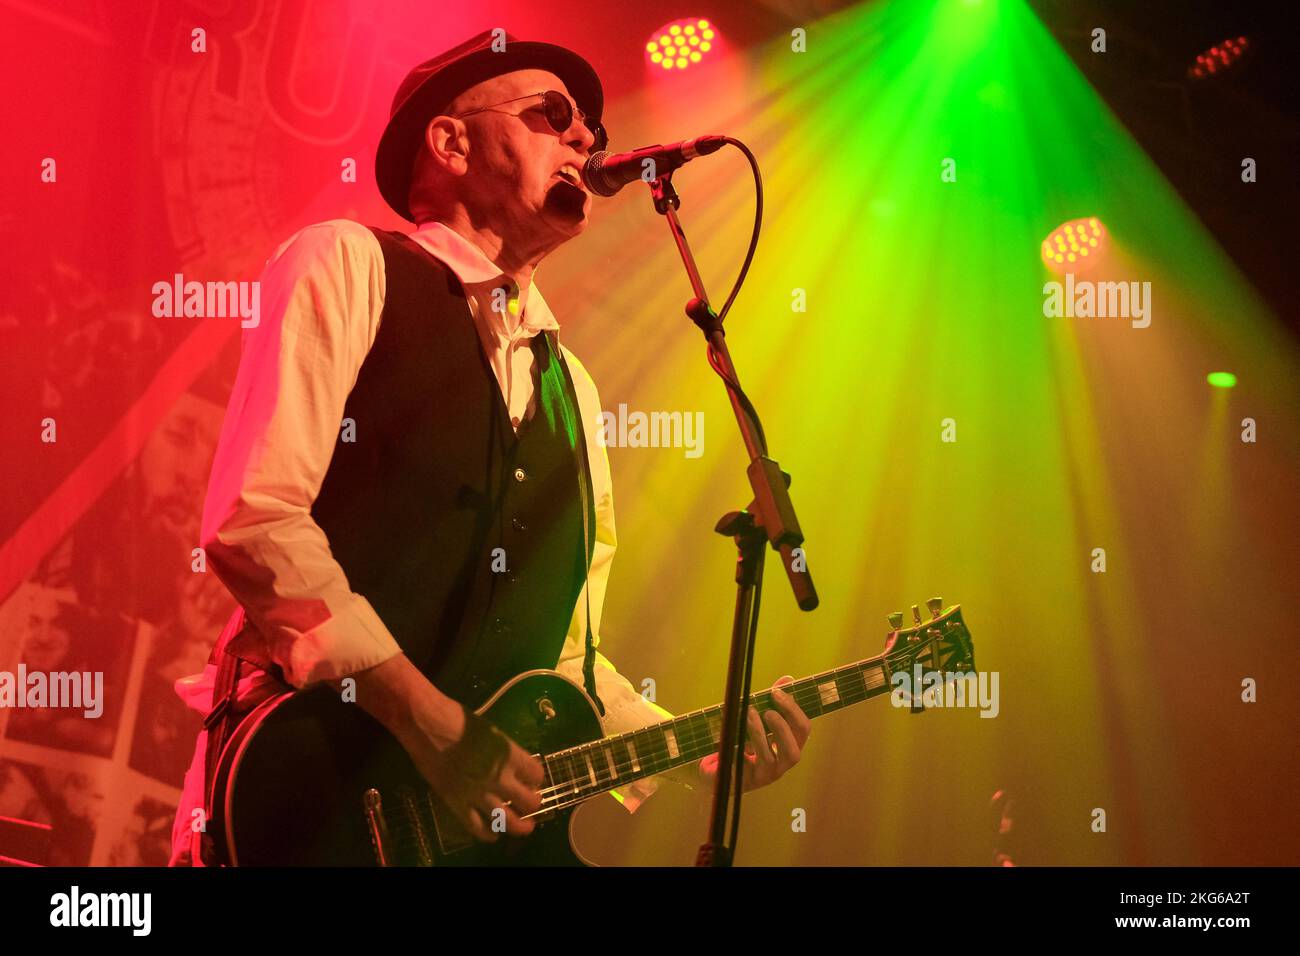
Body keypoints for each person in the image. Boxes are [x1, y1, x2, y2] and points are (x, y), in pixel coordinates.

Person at [169, 29, 810, 866]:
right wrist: (431, 725)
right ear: (451, 141)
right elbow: (256, 522)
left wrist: (702, 750)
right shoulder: (349, 265)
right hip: (304, 792)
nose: (588, 139)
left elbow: (570, 658)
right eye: (555, 115)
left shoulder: (570, 385)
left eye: (593, 131)